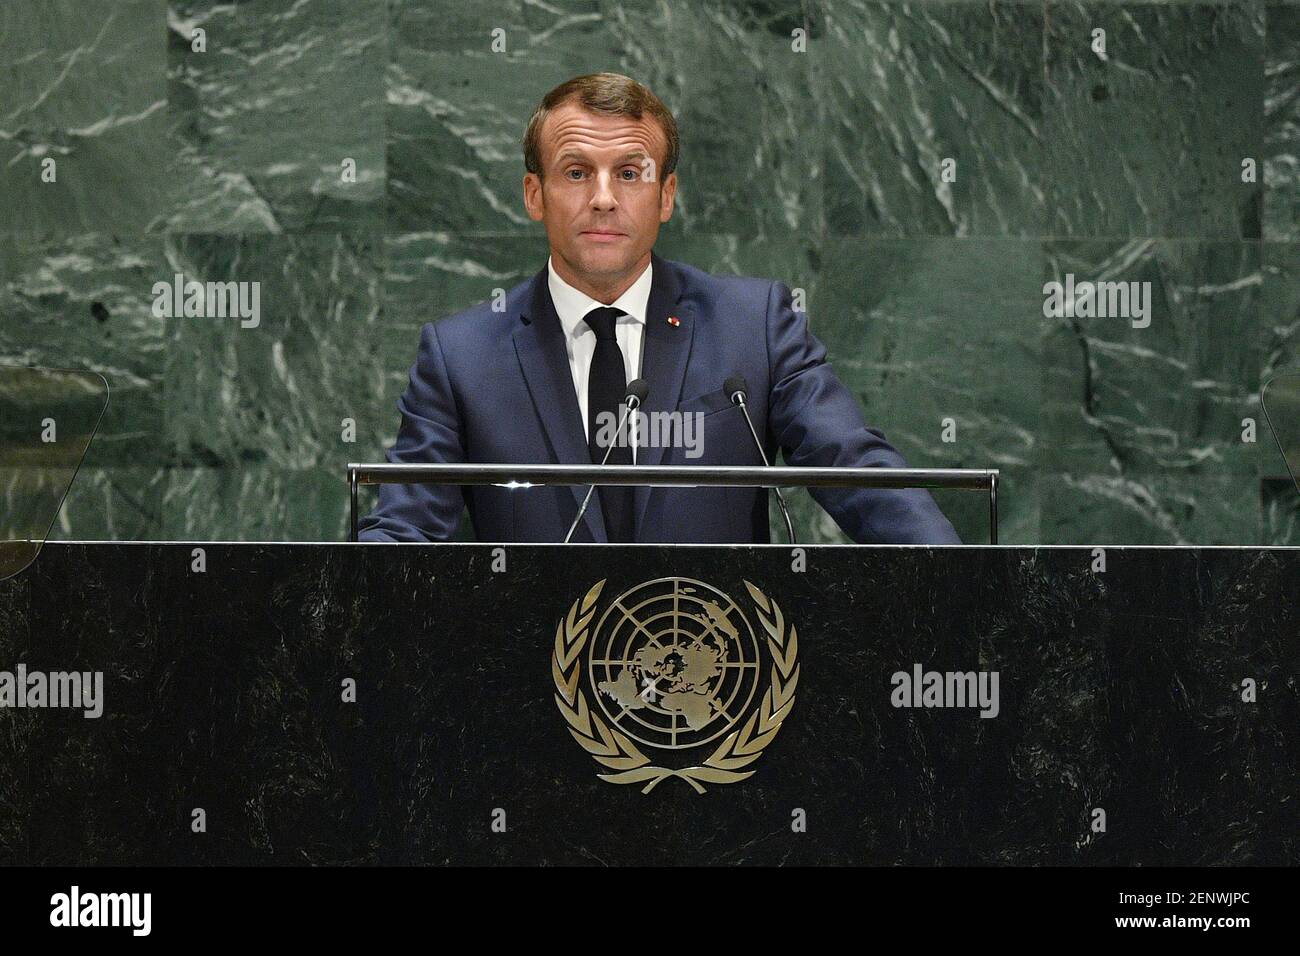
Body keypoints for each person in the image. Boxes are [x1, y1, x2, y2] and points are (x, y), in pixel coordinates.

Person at [359, 72, 960, 545]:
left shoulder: (756, 327)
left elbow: (857, 470)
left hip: (721, 681)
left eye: (629, 173)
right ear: (533, 195)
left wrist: (967, 582)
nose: (602, 199)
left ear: (665, 195)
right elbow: (403, 531)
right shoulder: (460, 356)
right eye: (575, 172)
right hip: (526, 684)